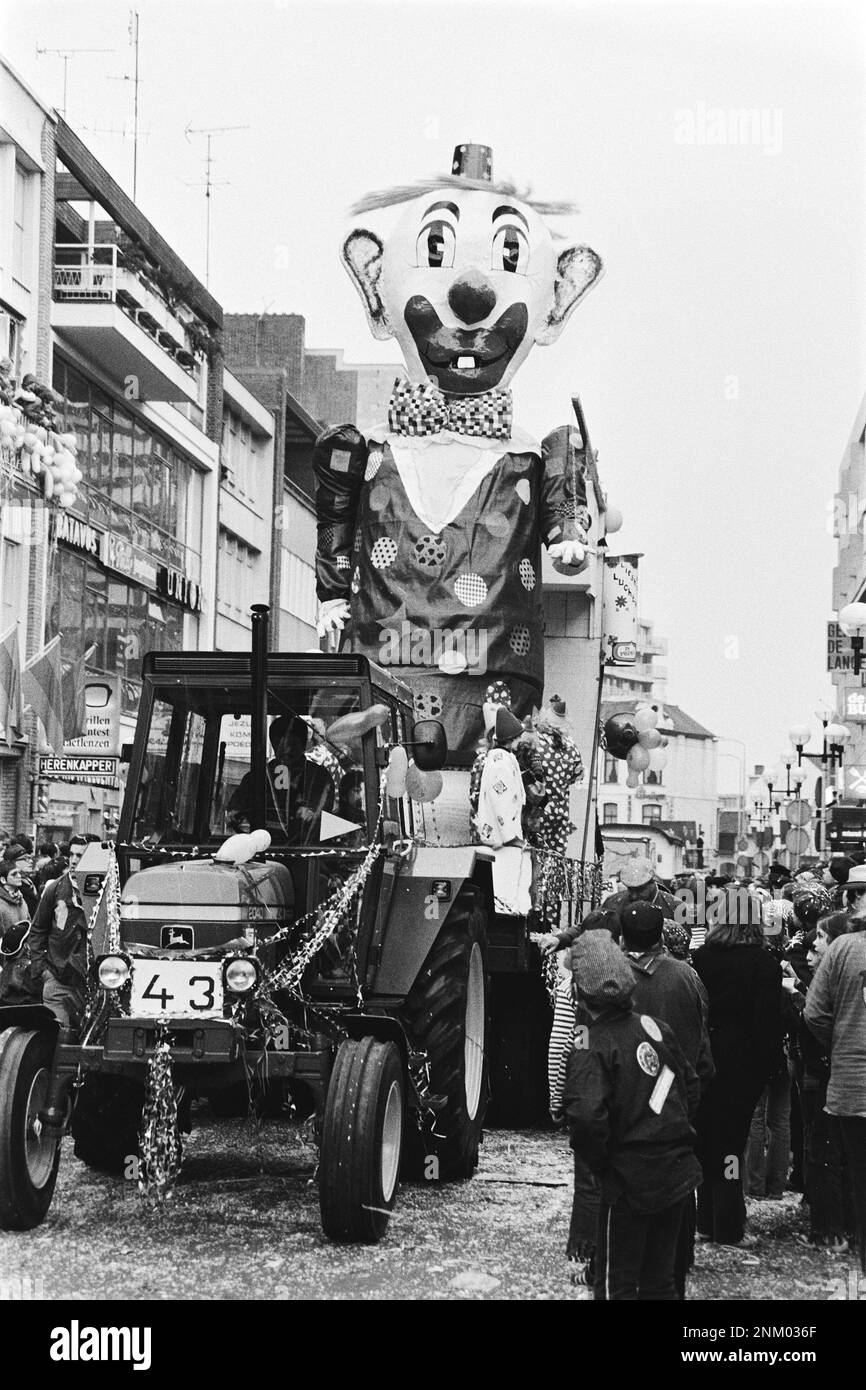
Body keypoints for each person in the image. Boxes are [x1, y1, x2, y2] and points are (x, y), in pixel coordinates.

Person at [563, 931, 702, 1301]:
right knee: (660, 1282)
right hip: (675, 1170)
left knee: (615, 1284)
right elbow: (690, 1085)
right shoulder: (653, 1027)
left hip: (630, 1179)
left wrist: (606, 1165)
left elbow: (585, 1117)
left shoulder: (588, 1041)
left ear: (580, 991)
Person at [620, 901, 714, 1299]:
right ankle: (676, 1268)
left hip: (625, 1117)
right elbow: (704, 1053)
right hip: (676, 1106)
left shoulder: (610, 977)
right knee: (678, 1192)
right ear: (661, 937)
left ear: (622, 937)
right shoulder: (687, 977)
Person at [691, 887, 784, 1247]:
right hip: (743, 1066)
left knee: (705, 1141)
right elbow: (766, 1024)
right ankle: (728, 1224)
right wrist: (770, 1067)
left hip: (705, 1059)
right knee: (731, 1144)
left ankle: (706, 1218)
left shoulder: (702, 957)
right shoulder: (763, 964)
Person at [804, 880, 866, 1273]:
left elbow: (814, 1013)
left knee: (860, 1177)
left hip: (852, 1085)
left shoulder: (844, 948)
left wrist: (839, 1039)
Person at [789, 911, 850, 1250]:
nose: (811, 954)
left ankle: (830, 1230)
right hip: (830, 1071)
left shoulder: (833, 979)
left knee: (825, 1150)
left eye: (818, 945)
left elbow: (816, 1020)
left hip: (828, 1073)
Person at [227, 714, 335, 843]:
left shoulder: (318, 776)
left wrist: (309, 812)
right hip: (260, 849)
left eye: (293, 743)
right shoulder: (257, 776)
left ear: (303, 744)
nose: (286, 749)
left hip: (305, 851)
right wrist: (235, 814)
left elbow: (319, 813)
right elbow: (236, 809)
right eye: (280, 742)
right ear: (273, 744)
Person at [29, 835, 89, 1028]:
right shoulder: (55, 888)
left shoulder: (108, 892)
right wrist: (42, 971)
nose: (73, 860)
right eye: (71, 854)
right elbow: (37, 929)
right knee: (59, 1040)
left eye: (80, 855)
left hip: (92, 985)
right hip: (59, 981)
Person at [2, 843, 39, 919]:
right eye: (25, 859)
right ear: (12, 862)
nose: (31, 861)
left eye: (30, 858)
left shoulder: (29, 881)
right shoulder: (12, 886)